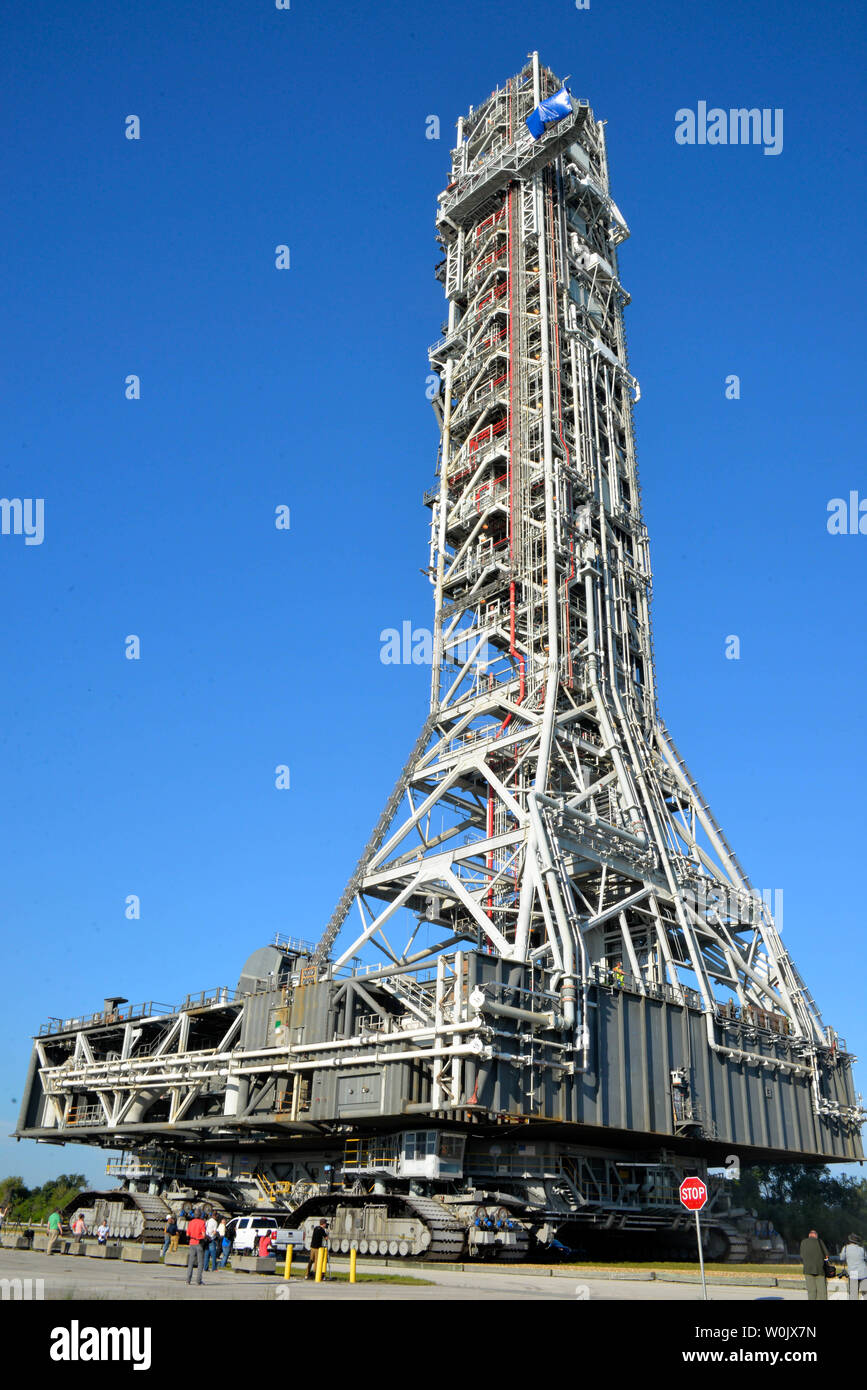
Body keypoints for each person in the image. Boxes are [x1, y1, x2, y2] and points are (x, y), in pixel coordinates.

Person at [799, 1228, 830, 1301]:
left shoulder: (803, 1242)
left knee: (811, 1291)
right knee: (822, 1291)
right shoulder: (819, 1241)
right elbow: (826, 1256)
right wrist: (825, 1261)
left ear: (809, 1235)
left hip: (807, 1269)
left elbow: (802, 1255)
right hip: (820, 1270)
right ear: (816, 1235)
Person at [841, 1233, 867, 1301]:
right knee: (865, 1292)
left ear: (849, 1241)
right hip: (863, 1272)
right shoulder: (861, 1249)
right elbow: (865, 1257)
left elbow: (841, 1258)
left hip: (853, 1272)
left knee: (853, 1293)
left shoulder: (846, 1248)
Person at [185, 1207, 207, 1286]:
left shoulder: (191, 1222)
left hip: (192, 1242)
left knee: (190, 1262)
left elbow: (187, 1234)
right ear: (200, 1215)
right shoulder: (202, 1222)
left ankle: (188, 1280)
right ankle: (198, 1280)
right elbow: (204, 1235)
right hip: (199, 1243)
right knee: (200, 1262)